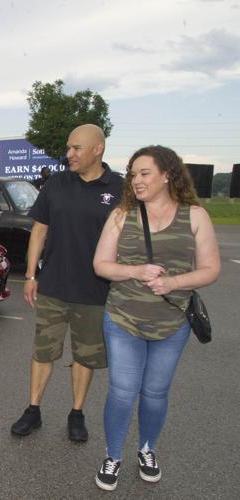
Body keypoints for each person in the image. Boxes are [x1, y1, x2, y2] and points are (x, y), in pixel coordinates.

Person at [91, 145, 219, 491]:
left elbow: (211, 269)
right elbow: (100, 265)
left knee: (155, 393)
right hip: (123, 320)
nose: (136, 180)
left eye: (144, 173)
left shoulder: (194, 215)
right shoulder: (122, 214)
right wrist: (136, 270)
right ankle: (113, 455)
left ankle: (147, 449)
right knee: (121, 392)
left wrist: (173, 282)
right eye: (133, 174)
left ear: (167, 174)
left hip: (173, 322)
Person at [11, 124, 123, 442]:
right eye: (68, 147)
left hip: (95, 291)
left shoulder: (117, 188)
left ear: (98, 149)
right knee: (43, 351)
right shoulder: (56, 183)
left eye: (76, 148)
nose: (69, 154)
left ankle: (77, 413)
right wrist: (31, 275)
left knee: (85, 356)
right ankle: (33, 410)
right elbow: (39, 230)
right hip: (53, 286)